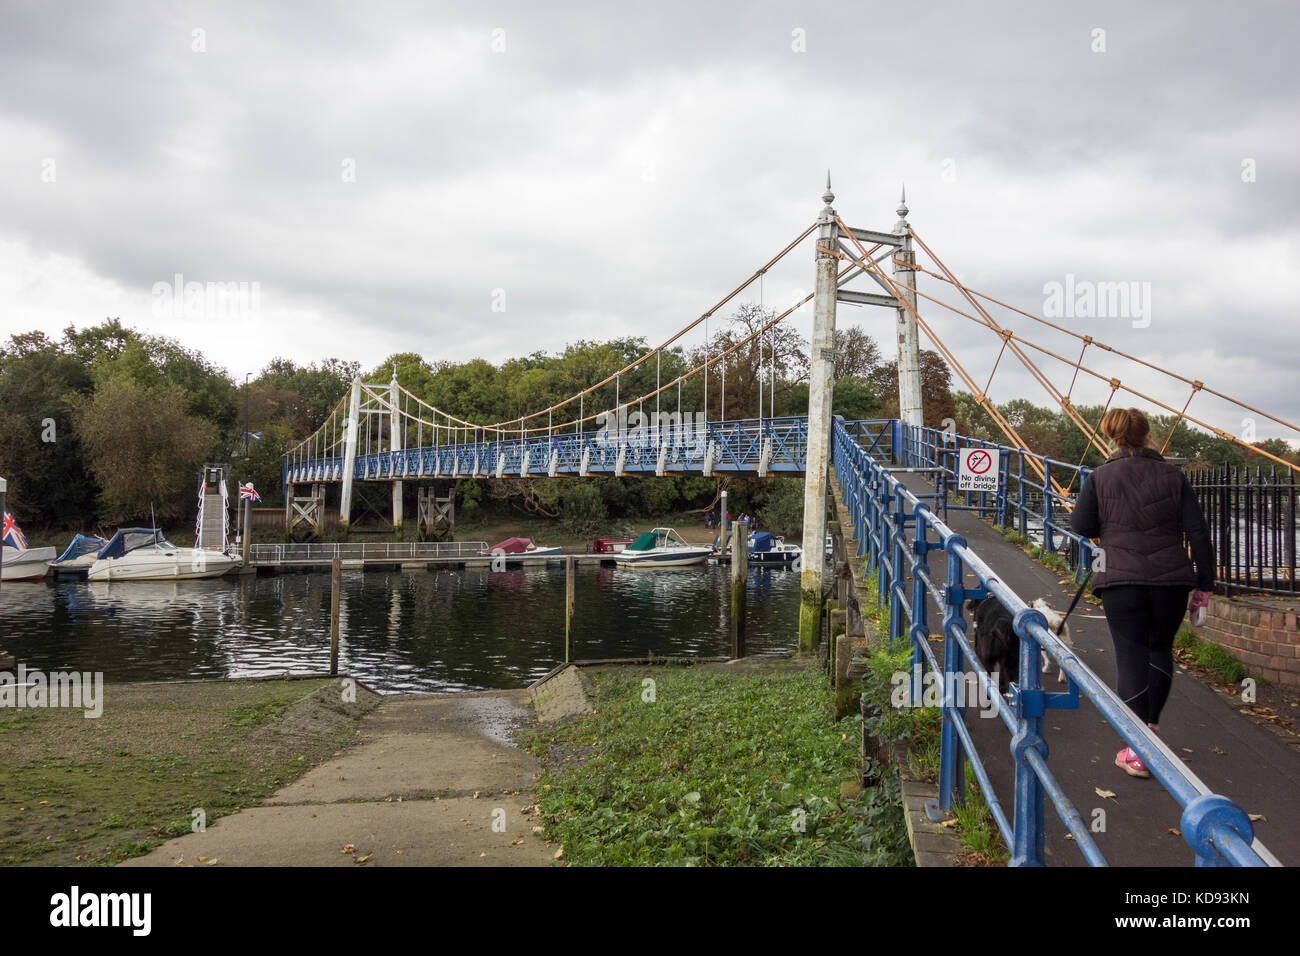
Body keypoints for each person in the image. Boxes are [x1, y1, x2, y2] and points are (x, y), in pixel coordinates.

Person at [1070, 408, 1214, 779]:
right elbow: (1198, 533)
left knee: (1130, 657)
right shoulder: (1174, 476)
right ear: (1149, 436)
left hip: (1120, 580)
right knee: (1159, 650)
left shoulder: (1099, 477)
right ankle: (1150, 731)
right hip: (1170, 581)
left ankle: (1137, 749)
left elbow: (1082, 525)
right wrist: (1205, 583)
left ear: (1110, 437)